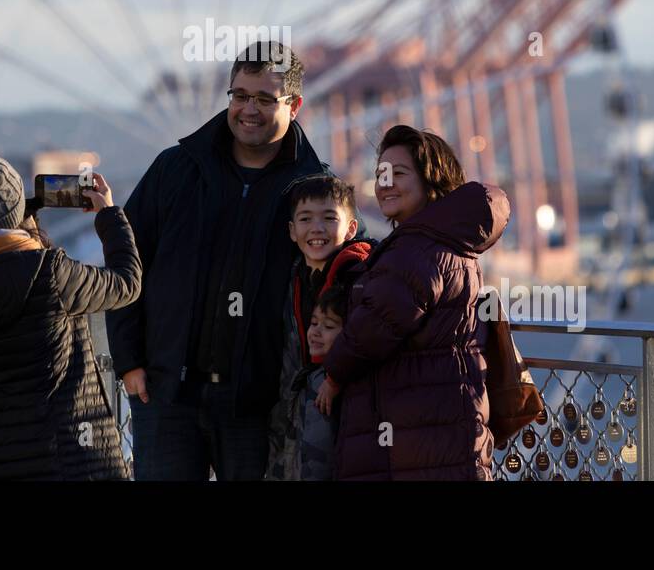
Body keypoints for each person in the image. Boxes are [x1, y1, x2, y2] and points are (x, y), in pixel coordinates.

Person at [107, 41, 342, 480]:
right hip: (166, 394)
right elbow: (126, 261)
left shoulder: (314, 189)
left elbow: (349, 271)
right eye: (239, 95)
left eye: (264, 99)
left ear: (295, 106)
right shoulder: (176, 168)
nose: (248, 109)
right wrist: (129, 361)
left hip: (259, 403)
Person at [0, 154, 140, 480]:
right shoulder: (50, 272)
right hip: (63, 455)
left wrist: (16, 226)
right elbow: (126, 284)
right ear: (15, 208)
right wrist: (109, 216)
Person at [318, 125, 511, 480]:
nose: (385, 183)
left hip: (414, 443)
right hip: (439, 433)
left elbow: (377, 325)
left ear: (431, 179)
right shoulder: (446, 242)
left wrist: (333, 373)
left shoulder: (417, 250)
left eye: (398, 173)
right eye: (380, 174)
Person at [266, 174, 371, 480]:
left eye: (329, 218)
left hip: (343, 413)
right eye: (305, 218)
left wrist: (337, 375)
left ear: (351, 228)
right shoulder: (295, 277)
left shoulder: (358, 277)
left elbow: (370, 338)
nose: (316, 228)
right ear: (291, 230)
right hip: (296, 414)